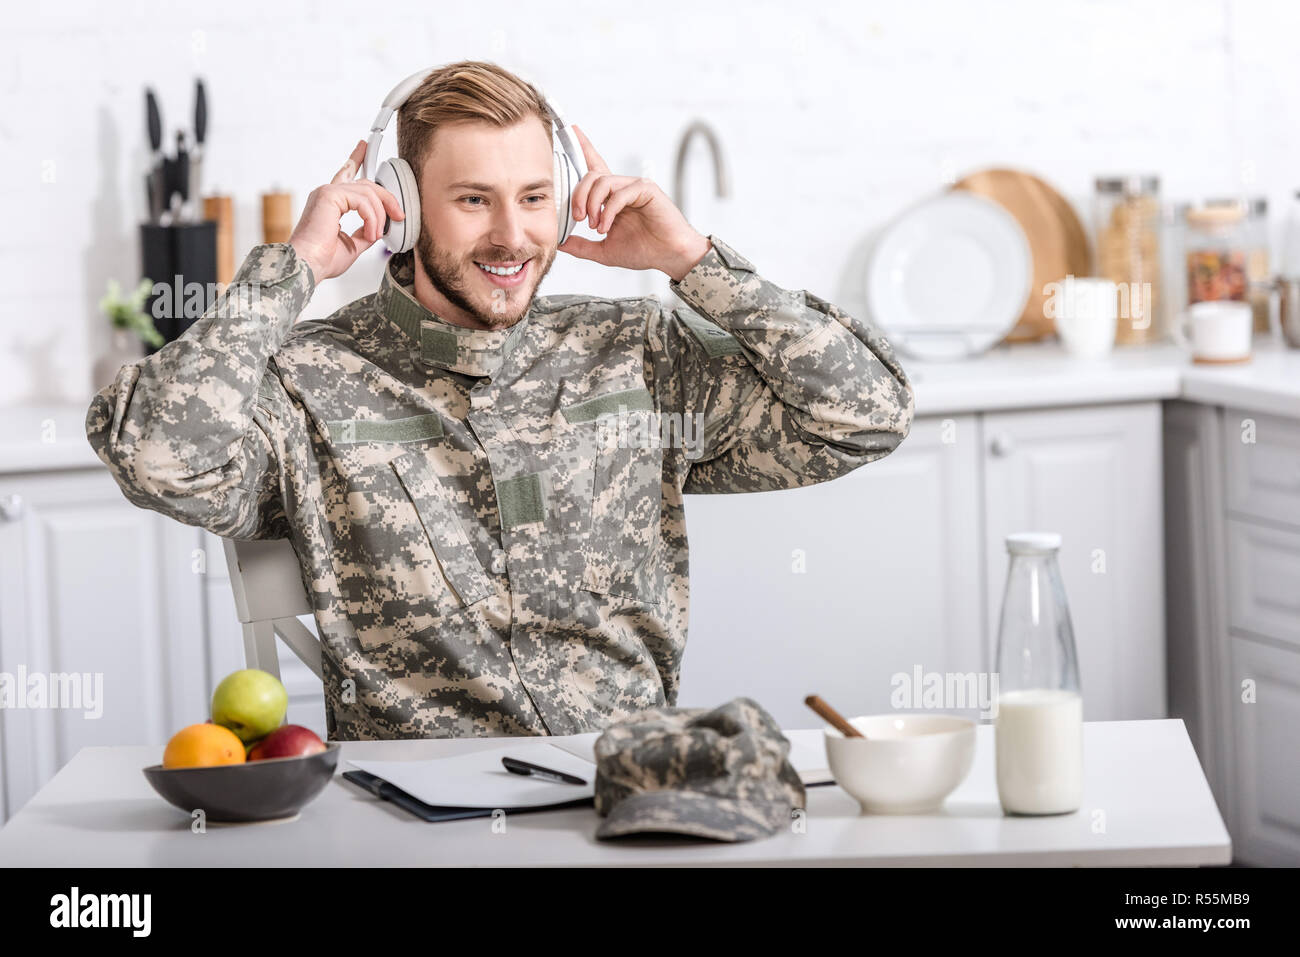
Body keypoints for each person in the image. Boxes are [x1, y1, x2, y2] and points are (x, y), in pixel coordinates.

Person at [86, 61, 914, 740]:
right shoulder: (307, 382)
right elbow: (162, 457)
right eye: (474, 199)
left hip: (622, 789)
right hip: (415, 815)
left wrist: (693, 261)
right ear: (402, 210)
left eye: (532, 198)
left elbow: (866, 414)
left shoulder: (634, 353)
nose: (513, 237)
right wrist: (292, 268)